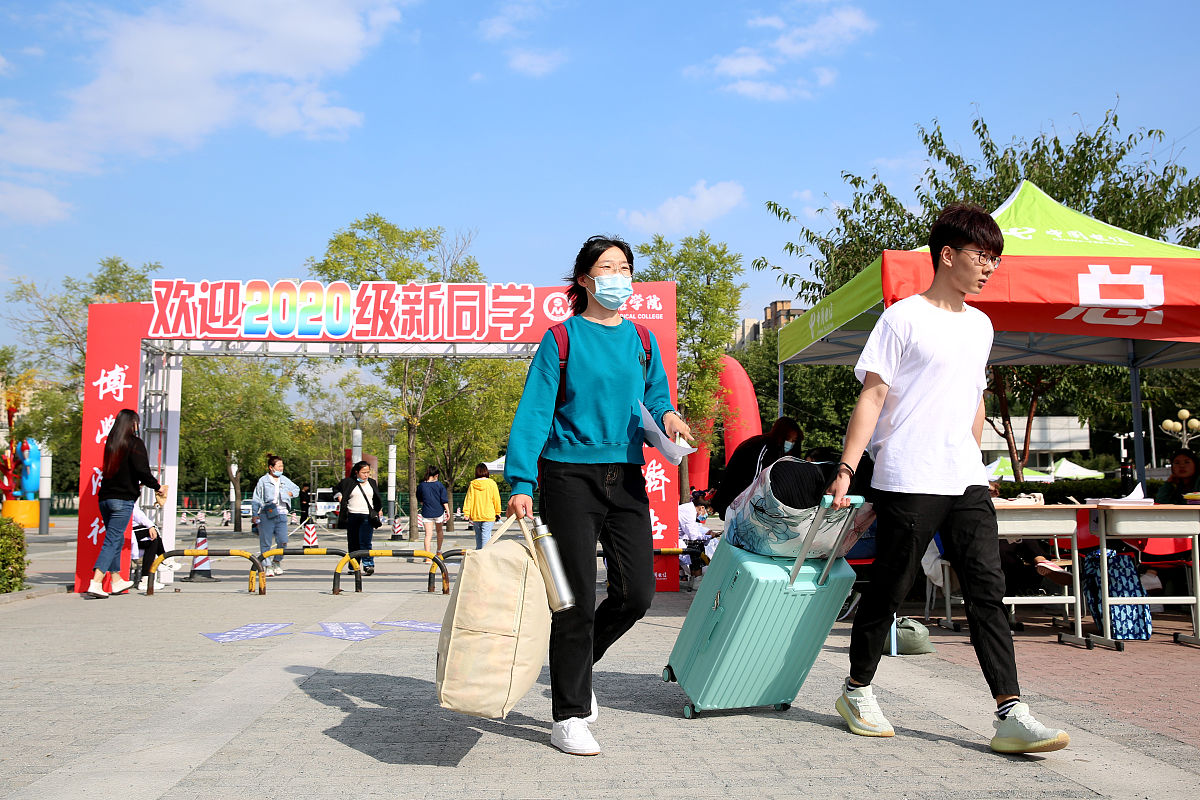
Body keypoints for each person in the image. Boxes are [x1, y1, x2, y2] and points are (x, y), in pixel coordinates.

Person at [828, 203, 1070, 755]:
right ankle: (857, 688)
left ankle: (1010, 711)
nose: (990, 268)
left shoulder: (981, 325)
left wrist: (979, 462)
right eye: (982, 257)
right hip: (908, 473)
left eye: (995, 260)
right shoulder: (902, 318)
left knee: (988, 587)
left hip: (964, 477)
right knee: (891, 587)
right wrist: (846, 468)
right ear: (947, 255)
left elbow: (974, 402)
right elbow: (873, 394)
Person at [505, 234, 692, 756]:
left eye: (626, 268)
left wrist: (671, 417)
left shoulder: (642, 339)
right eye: (608, 268)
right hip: (568, 478)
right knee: (575, 602)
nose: (620, 277)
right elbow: (534, 412)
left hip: (628, 475)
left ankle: (579, 666)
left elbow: (655, 395)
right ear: (585, 279)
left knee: (637, 596)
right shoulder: (560, 340)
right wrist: (521, 481)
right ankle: (569, 714)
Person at [90, 409, 168, 598]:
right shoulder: (134, 443)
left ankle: (116, 580)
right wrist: (157, 487)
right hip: (122, 500)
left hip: (105, 499)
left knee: (114, 539)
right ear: (133, 424)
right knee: (112, 540)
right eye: (136, 423)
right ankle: (96, 582)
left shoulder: (112, 444)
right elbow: (142, 470)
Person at [710, 417, 802, 518]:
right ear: (781, 436)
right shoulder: (762, 448)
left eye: (794, 441)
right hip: (738, 500)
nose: (791, 443)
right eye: (788, 439)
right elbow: (756, 479)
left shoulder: (776, 450)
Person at [251, 454, 300, 576]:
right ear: (271, 467)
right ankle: (267, 565)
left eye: (282, 466)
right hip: (267, 513)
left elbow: (296, 489)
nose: (281, 468)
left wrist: (290, 494)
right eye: (279, 466)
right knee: (266, 541)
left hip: (282, 513)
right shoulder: (263, 481)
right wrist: (254, 514)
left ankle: (277, 561)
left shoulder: (285, 480)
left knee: (283, 541)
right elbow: (256, 498)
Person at [334, 461, 383, 575]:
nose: (366, 475)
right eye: (363, 472)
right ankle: (353, 566)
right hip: (352, 515)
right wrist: (339, 497)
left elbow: (376, 498)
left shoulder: (372, 482)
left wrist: (378, 509)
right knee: (353, 542)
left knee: (365, 542)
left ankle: (368, 565)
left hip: (367, 516)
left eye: (368, 472)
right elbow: (335, 490)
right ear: (356, 472)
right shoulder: (348, 482)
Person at [462, 462, 502, 548]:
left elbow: (468, 499)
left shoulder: (473, 484)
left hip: (476, 515)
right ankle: (484, 557)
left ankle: (479, 555)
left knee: (479, 538)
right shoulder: (492, 483)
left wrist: (466, 513)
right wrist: (498, 512)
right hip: (489, 514)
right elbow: (496, 499)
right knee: (486, 537)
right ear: (486, 471)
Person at [416, 465, 450, 561]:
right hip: (438, 511)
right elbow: (443, 500)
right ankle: (439, 551)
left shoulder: (421, 486)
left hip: (426, 512)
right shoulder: (439, 485)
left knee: (428, 534)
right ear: (436, 475)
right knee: (439, 531)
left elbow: (420, 498)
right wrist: (448, 511)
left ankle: (428, 557)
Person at [130, 504, 166, 592]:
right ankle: (164, 560)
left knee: (152, 541)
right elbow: (138, 515)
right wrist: (150, 526)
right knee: (153, 531)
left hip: (131, 533)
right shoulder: (126, 500)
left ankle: (146, 578)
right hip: (127, 531)